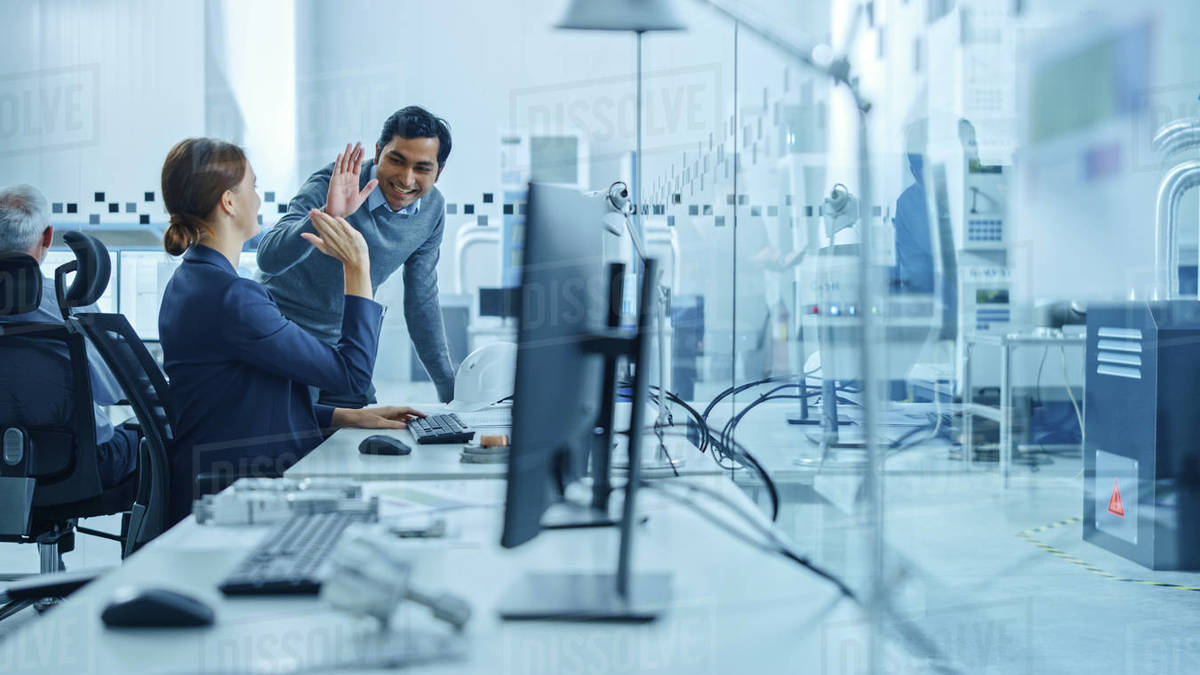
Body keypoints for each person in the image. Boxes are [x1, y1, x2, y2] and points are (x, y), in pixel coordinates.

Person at [157, 138, 425, 525]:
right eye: (252, 186)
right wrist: (357, 266)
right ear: (228, 202)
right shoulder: (234, 298)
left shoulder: (191, 281)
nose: (258, 199)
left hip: (218, 481)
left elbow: (243, 402)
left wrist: (347, 417)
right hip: (239, 495)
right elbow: (351, 376)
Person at [257, 105, 456, 407]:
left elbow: (422, 300)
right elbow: (268, 257)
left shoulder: (432, 210)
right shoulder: (334, 183)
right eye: (396, 160)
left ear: (438, 173)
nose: (406, 179)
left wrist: (450, 392)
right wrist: (327, 214)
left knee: (367, 423)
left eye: (422, 168)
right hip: (281, 332)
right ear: (378, 153)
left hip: (343, 345)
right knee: (303, 426)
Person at [0, 184, 139, 491]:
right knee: (146, 441)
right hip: (77, 466)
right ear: (47, 236)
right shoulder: (69, 303)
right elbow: (113, 391)